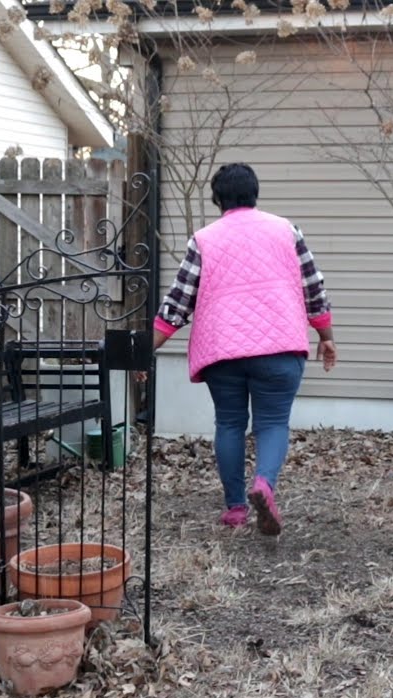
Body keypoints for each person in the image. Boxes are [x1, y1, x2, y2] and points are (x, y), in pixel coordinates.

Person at [151, 163, 337, 535]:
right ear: (256, 193)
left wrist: (147, 348)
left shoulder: (204, 239)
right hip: (280, 346)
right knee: (272, 422)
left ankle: (236, 508)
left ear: (217, 199)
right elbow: (313, 286)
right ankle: (264, 484)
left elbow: (178, 301)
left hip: (223, 351)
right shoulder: (286, 230)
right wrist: (325, 335)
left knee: (230, 423)